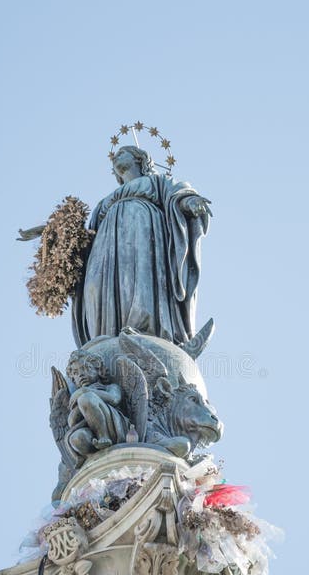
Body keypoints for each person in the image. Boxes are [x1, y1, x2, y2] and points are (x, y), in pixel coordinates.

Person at [71, 146, 211, 346]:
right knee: (93, 285)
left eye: (123, 152)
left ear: (140, 158)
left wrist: (190, 202)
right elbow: (86, 239)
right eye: (115, 155)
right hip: (105, 246)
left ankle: (142, 329)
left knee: (137, 278)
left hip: (142, 232)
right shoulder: (105, 202)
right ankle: (104, 335)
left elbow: (178, 194)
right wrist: (57, 236)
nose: (116, 156)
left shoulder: (157, 181)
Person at [65, 350, 130, 456]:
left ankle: (103, 436)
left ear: (99, 370)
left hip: (113, 427)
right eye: (76, 373)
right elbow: (72, 422)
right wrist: (80, 404)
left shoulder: (110, 387)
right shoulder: (79, 398)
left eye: (86, 368)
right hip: (91, 433)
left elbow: (114, 399)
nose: (81, 374)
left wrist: (85, 391)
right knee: (76, 438)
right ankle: (92, 454)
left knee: (86, 398)